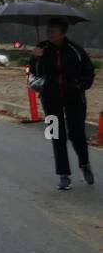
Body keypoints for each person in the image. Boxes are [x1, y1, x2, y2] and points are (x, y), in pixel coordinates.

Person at [29, 18, 95, 190]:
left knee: (77, 133)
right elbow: (35, 73)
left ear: (63, 32)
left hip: (74, 98)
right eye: (48, 29)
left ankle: (84, 163)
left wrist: (79, 86)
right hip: (49, 99)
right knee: (56, 135)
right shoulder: (41, 48)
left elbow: (89, 72)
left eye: (54, 30)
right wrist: (35, 59)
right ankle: (63, 174)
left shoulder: (76, 50)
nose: (50, 32)